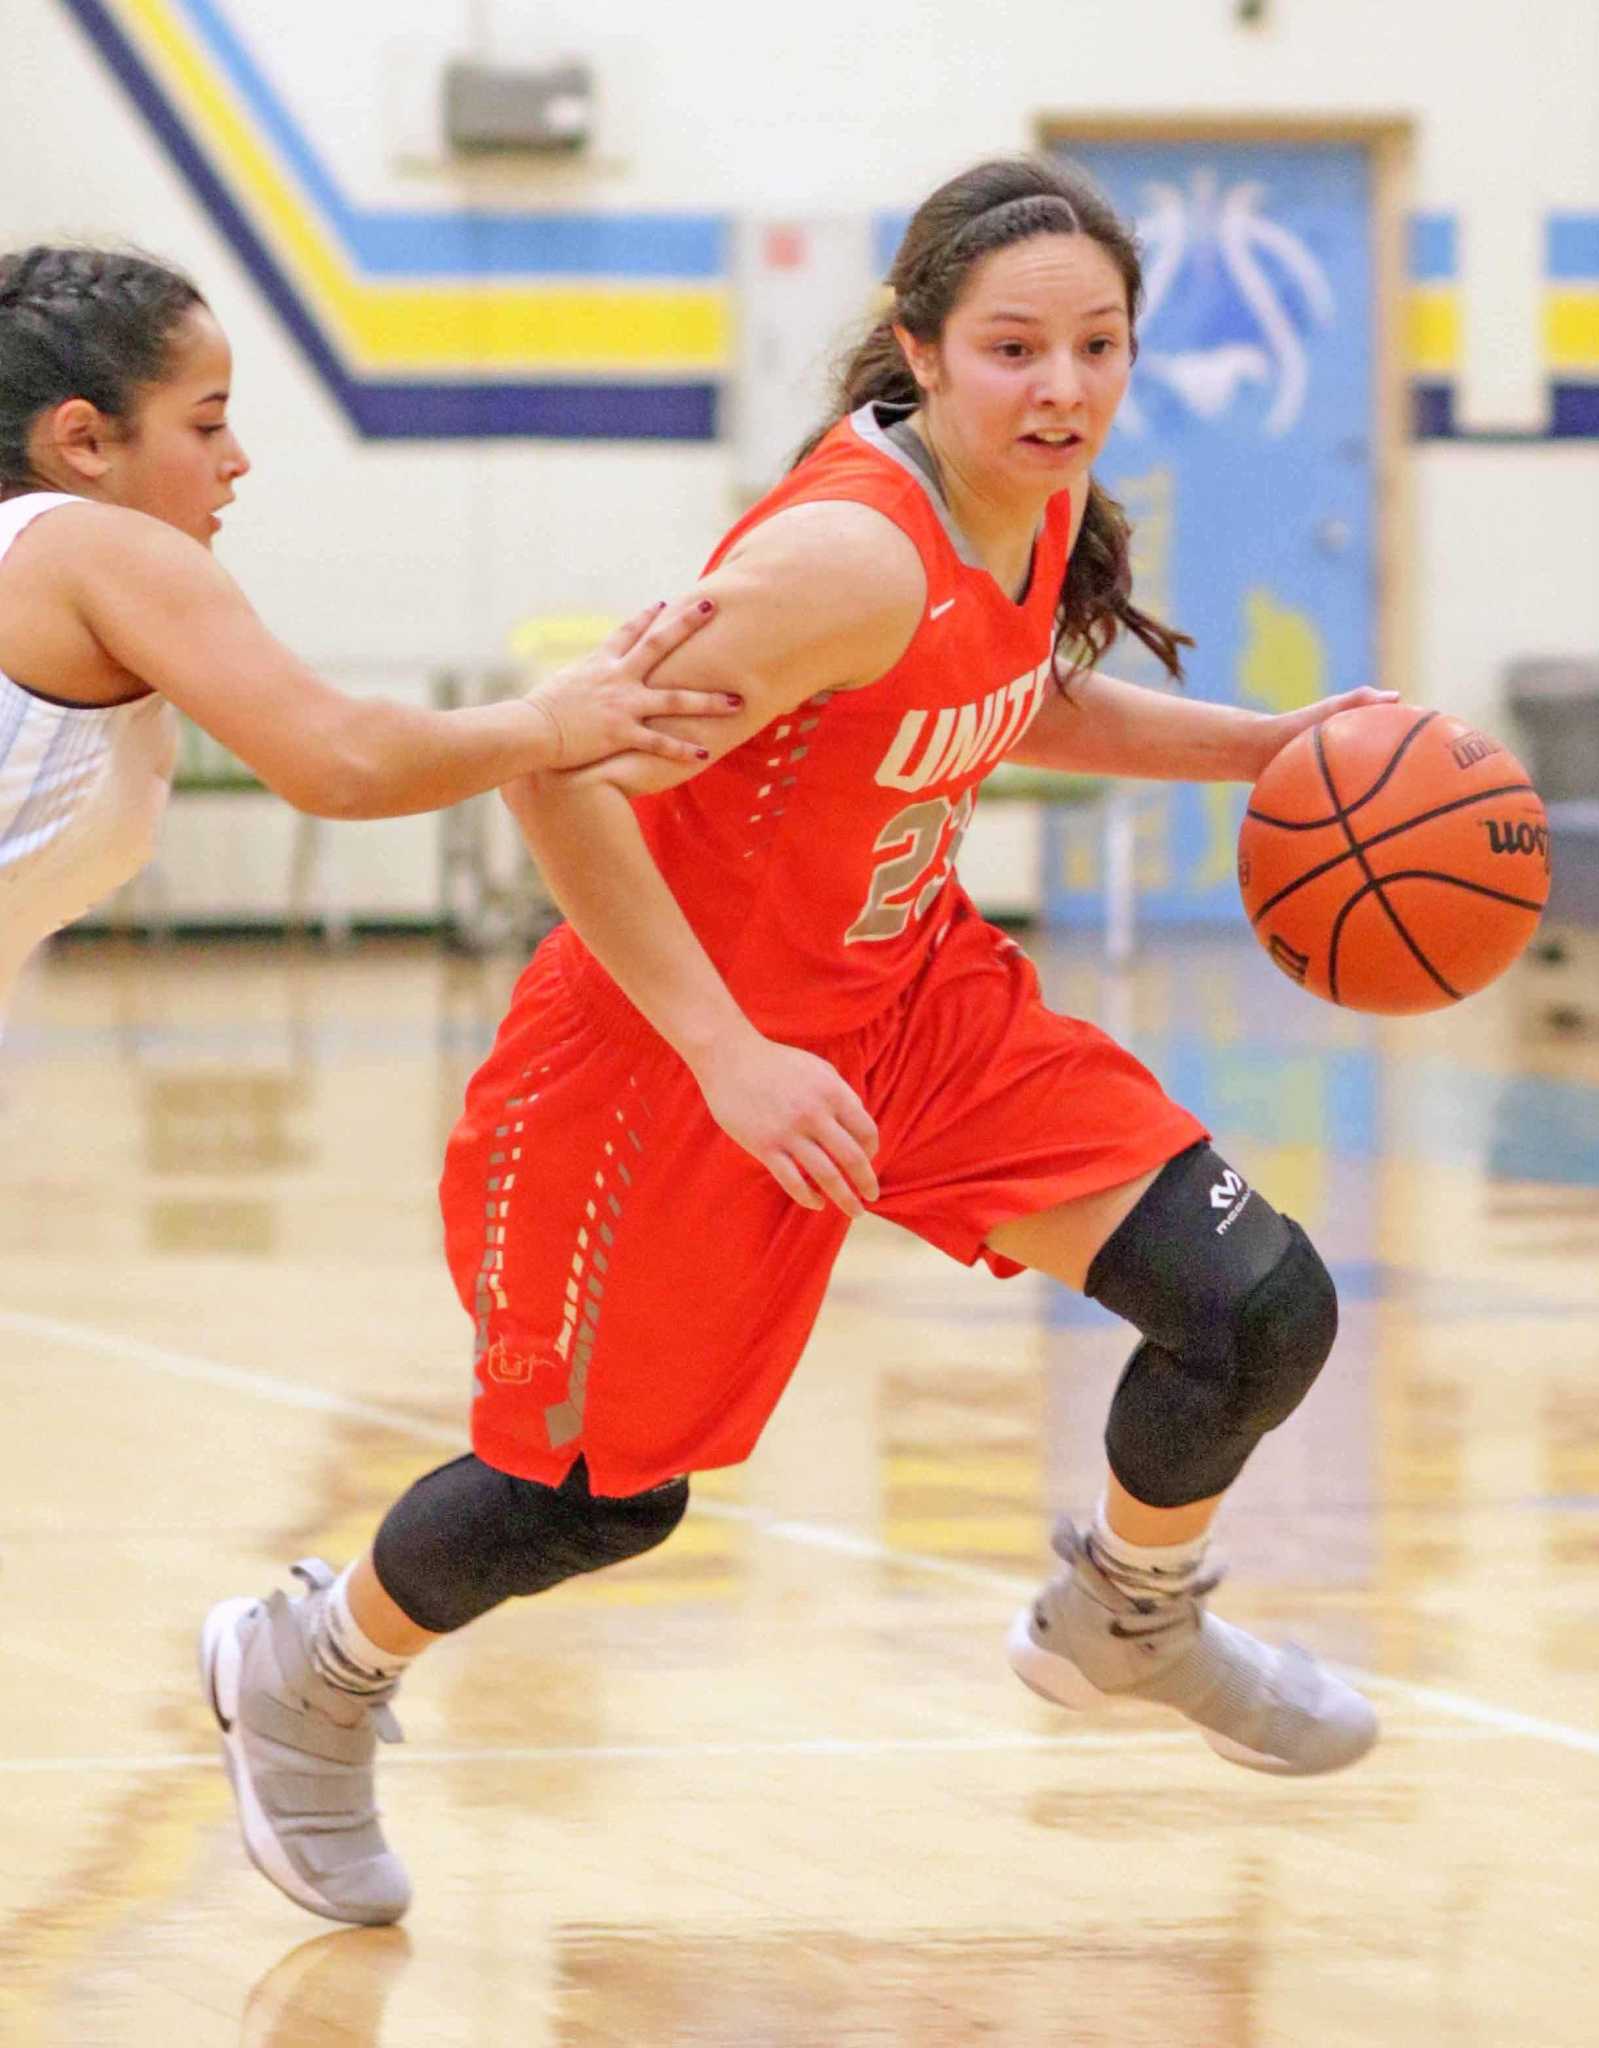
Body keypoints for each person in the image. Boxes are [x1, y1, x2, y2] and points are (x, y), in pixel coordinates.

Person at [204, 156, 1396, 1928]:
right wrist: (723, 1049)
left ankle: (1123, 1614)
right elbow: (562, 758)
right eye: (1011, 348)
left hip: (908, 993)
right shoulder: (840, 552)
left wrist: (1261, 745)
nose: (1060, 386)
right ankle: (309, 1664)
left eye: (1096, 345)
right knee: (593, 1497)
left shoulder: (1031, 499)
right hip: (664, 1042)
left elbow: (1002, 690)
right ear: (913, 349)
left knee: (1252, 1309)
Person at [0, 245, 737, 1025]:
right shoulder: (94, 542)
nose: (237, 460)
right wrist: (551, 722)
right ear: (82, 441)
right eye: (207, 423)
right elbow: (345, 762)